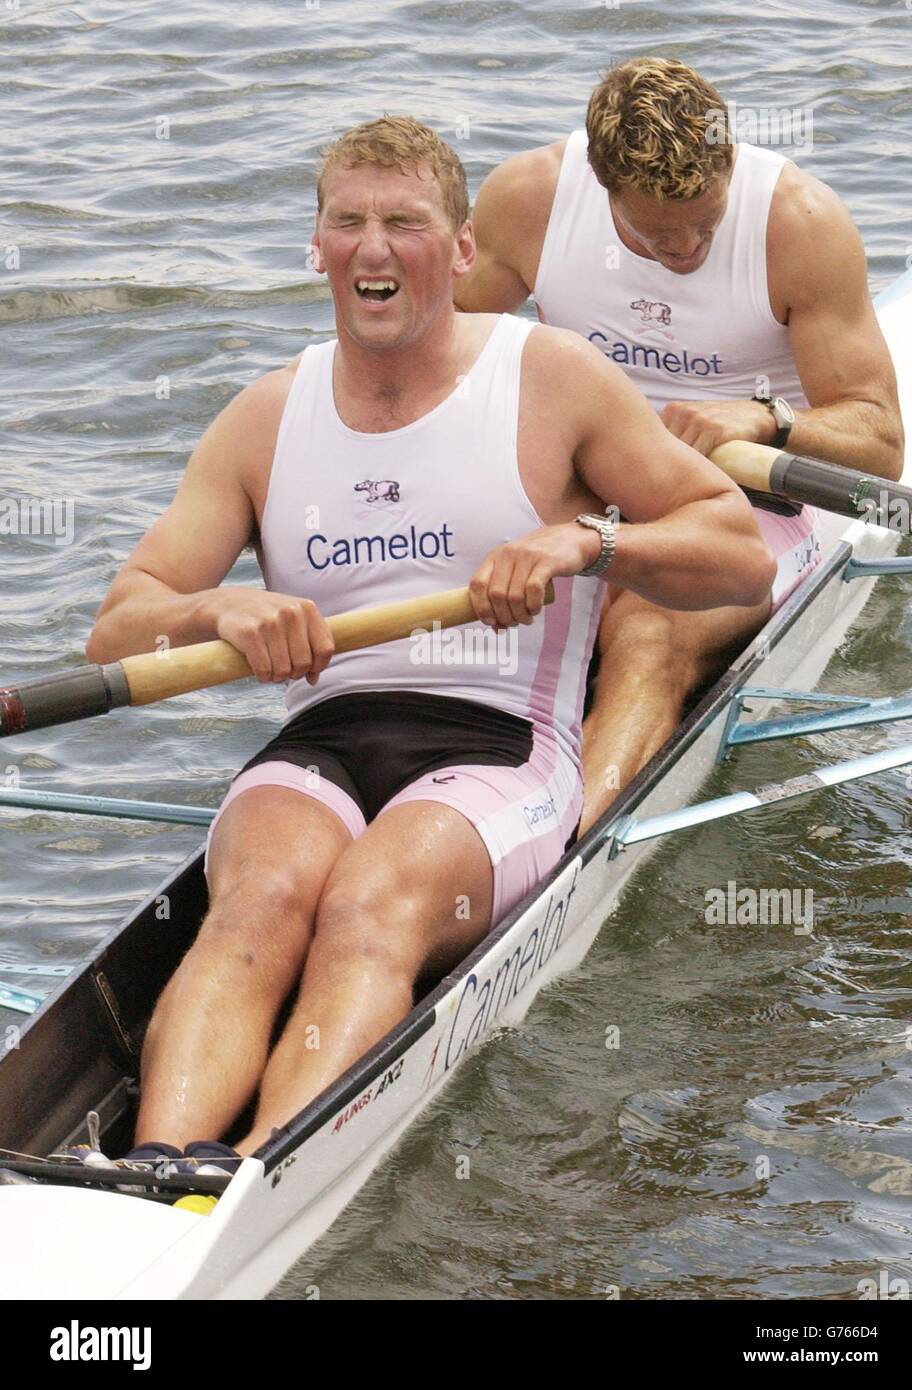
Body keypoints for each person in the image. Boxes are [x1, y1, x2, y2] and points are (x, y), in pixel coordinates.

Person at [86, 116, 774, 1167]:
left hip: (502, 746)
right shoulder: (264, 417)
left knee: (369, 902)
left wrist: (584, 543)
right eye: (347, 221)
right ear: (315, 247)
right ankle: (155, 1168)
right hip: (323, 738)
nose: (373, 247)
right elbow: (118, 626)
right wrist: (214, 611)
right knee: (260, 901)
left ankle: (260, 1172)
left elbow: (738, 555)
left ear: (459, 251)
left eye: (404, 223)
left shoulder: (551, 376)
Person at [454, 57, 905, 832]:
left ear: (730, 163)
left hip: (748, 497)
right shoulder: (528, 201)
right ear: (602, 187)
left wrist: (766, 417)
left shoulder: (796, 222)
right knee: (457, 605)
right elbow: (437, 362)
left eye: (706, 219)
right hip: (590, 482)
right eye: (659, 233)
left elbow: (881, 441)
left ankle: (563, 857)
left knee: (647, 630)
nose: (689, 245)